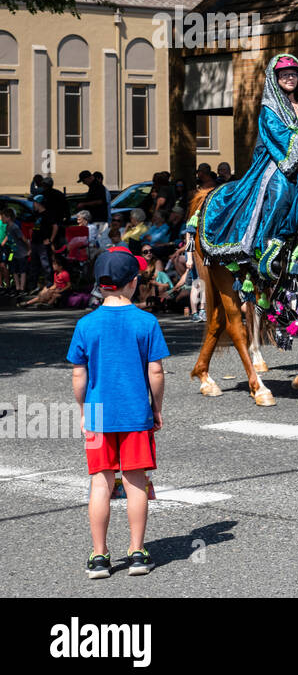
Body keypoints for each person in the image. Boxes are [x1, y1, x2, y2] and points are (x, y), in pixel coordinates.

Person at [68, 246, 168, 578]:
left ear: (100, 283)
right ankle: (137, 552)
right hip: (136, 412)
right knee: (135, 481)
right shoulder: (147, 321)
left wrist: (84, 411)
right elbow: (155, 372)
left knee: (100, 483)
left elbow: (79, 375)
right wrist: (157, 408)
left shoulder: (86, 324)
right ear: (134, 282)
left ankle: (99, 556)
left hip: (97, 414)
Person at [198, 54, 298, 279]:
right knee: (281, 192)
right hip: (281, 160)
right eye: (284, 75)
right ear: (275, 79)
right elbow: (278, 135)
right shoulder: (270, 109)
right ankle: (268, 247)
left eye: (293, 74)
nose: (290, 78)